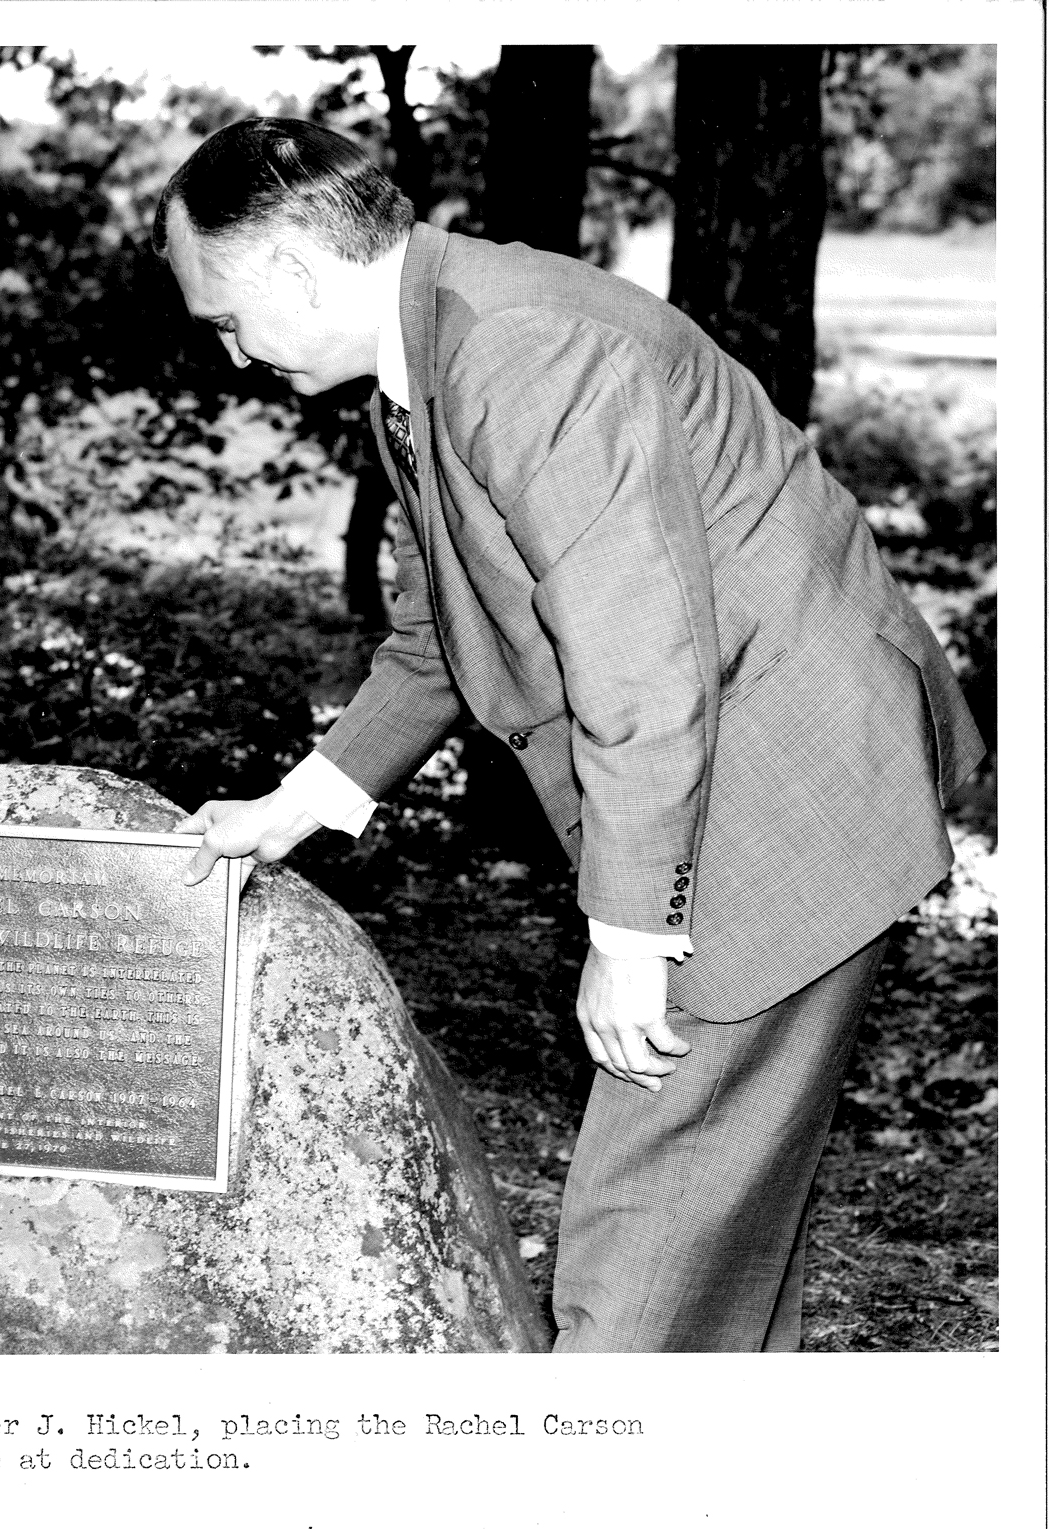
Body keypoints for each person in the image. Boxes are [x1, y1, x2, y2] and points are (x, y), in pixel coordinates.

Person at [152, 118, 983, 1352]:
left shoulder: (518, 351)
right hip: (733, 761)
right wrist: (295, 805)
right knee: (716, 1221)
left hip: (783, 788)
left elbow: (637, 656)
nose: (229, 354)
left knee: (643, 1236)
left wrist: (632, 932)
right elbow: (448, 624)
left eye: (223, 318)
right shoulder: (429, 351)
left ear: (289, 271)